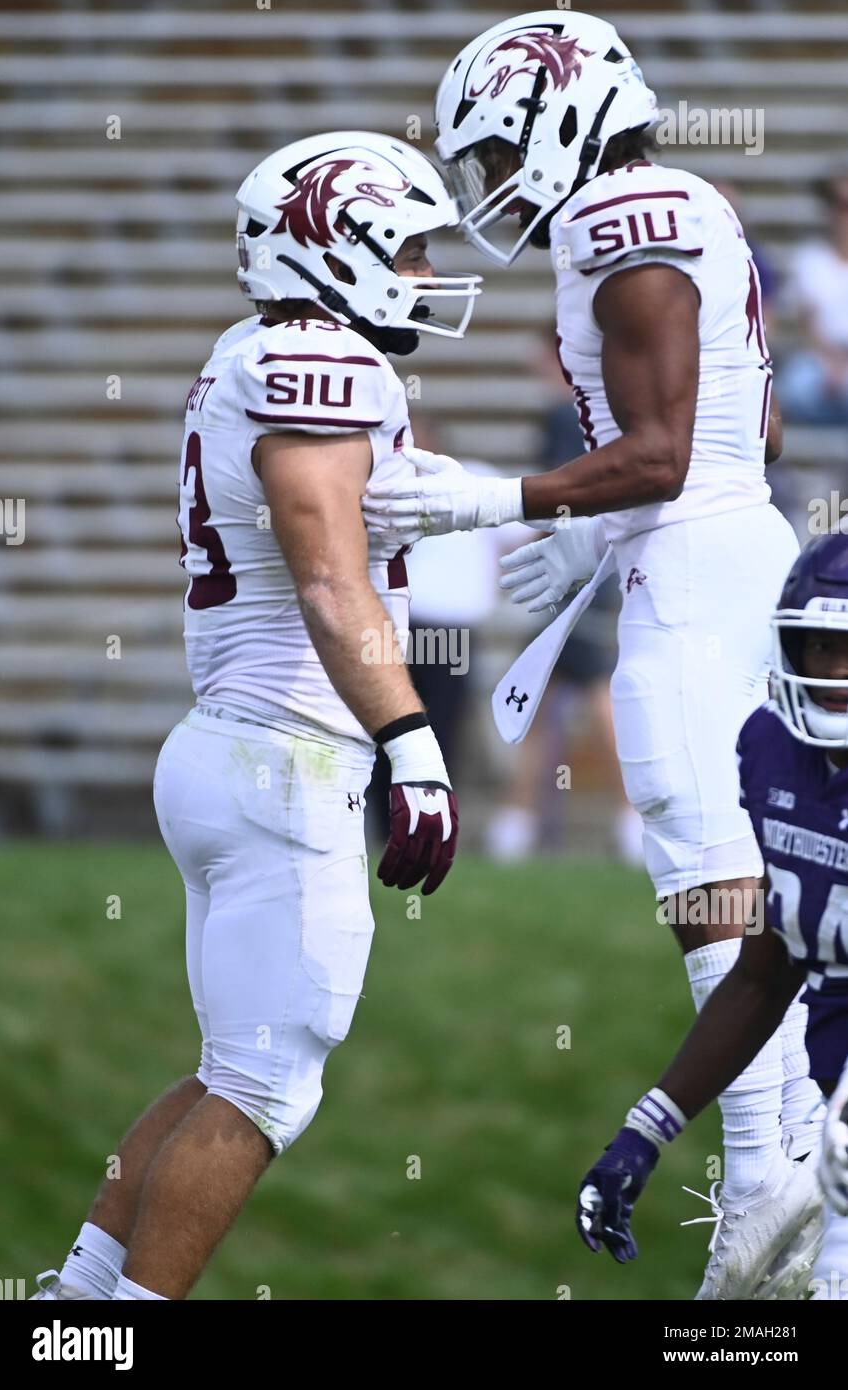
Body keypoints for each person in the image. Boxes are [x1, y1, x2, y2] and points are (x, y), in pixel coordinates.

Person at [362, 11, 821, 1297]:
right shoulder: (688, 204)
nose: (489, 188)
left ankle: (760, 1162)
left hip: (690, 561)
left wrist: (493, 499)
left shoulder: (616, 228)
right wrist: (596, 514)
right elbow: (755, 429)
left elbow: (664, 453)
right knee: (735, 852)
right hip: (730, 542)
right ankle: (778, 1149)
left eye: (497, 152)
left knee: (695, 842)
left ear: (563, 116)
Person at [29, 131, 479, 1301]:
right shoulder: (325, 364)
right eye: (412, 248)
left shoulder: (251, 351)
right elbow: (328, 578)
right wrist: (414, 745)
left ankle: (78, 1312)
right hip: (287, 751)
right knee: (268, 1088)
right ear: (342, 246)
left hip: (232, 747)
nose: (427, 275)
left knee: (232, 1069)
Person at [576, 534, 848, 1300]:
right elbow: (765, 972)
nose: (834, 674)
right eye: (816, 647)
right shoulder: (772, 750)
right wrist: (646, 1130)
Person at [779, 170, 848, 426]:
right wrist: (833, 361)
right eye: (839, 204)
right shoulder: (809, 260)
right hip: (820, 360)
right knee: (796, 388)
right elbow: (807, 322)